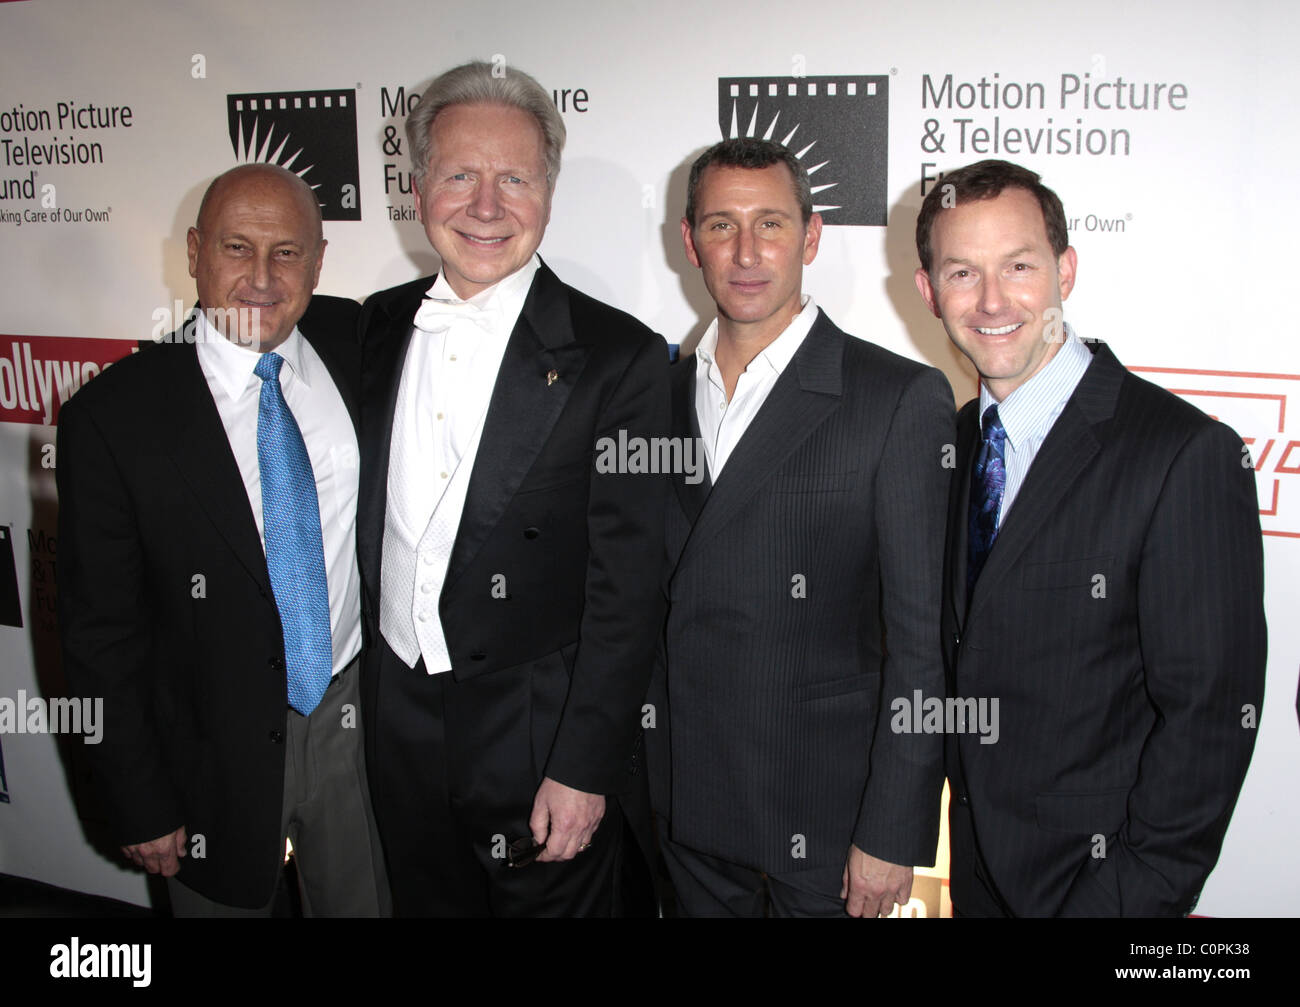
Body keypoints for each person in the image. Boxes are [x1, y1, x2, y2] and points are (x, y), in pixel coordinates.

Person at [913, 158, 1266, 916]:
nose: (994, 300)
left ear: (1065, 270)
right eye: (963, 272)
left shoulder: (1181, 454)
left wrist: (1123, 901)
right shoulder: (954, 445)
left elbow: (1209, 719)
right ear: (928, 290)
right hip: (973, 881)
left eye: (1019, 266)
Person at [358, 61, 669, 916]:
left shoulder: (623, 360)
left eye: (515, 179)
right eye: (460, 175)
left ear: (549, 193)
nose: (486, 206)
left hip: (541, 743)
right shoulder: (371, 326)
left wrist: (583, 764)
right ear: (418, 188)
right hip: (398, 731)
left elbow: (629, 593)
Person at [57, 163, 388, 916]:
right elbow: (101, 633)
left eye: (287, 252)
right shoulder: (113, 419)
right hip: (206, 756)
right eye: (238, 248)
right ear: (196, 251)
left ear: (319, 260)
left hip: (355, 728)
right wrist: (138, 798)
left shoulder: (362, 343)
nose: (262, 278)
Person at [644, 138, 953, 917]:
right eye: (721, 225)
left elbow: (922, 642)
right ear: (690, 242)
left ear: (810, 237)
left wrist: (891, 829)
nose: (747, 252)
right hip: (685, 802)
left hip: (828, 823)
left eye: (771, 224)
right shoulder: (651, 396)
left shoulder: (896, 398)